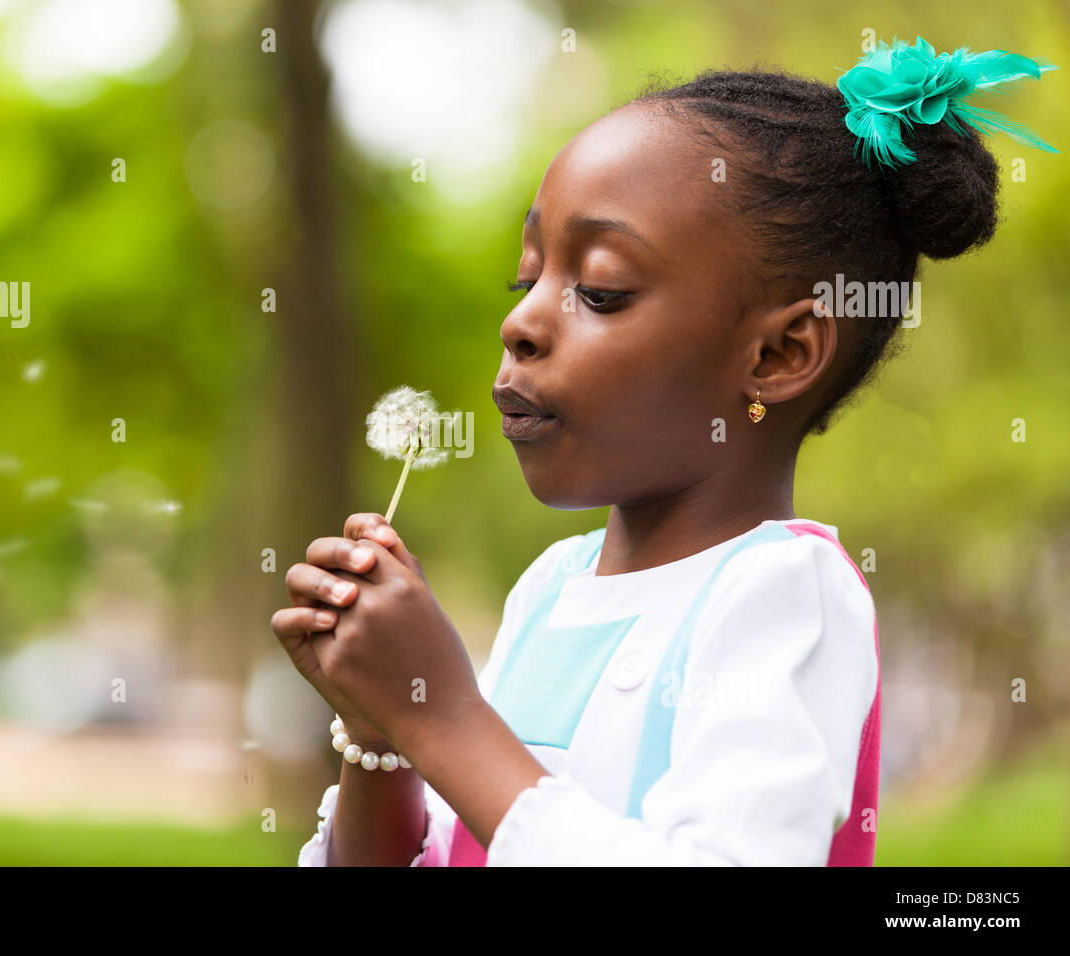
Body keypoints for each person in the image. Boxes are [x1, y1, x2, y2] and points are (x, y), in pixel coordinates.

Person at [270, 37, 1056, 866]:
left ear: (779, 356)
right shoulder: (548, 591)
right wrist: (383, 733)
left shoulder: (787, 595)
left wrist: (446, 718)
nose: (521, 324)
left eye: (600, 291)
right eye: (527, 279)